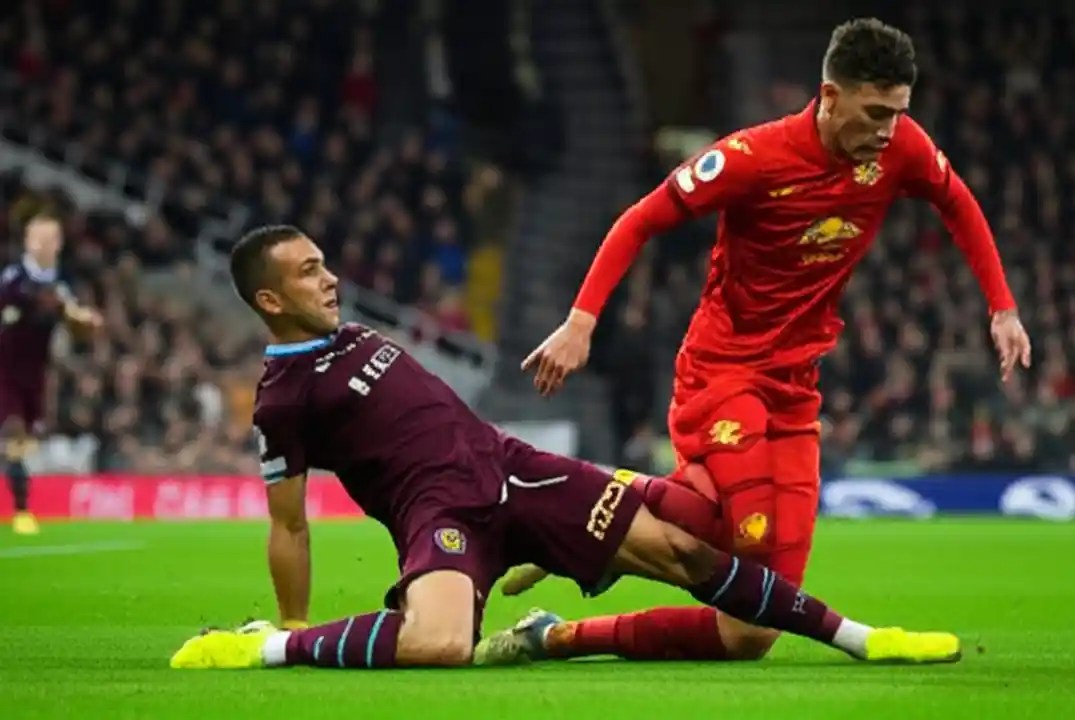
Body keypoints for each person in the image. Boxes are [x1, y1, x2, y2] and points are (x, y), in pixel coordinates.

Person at [167, 225, 961, 670]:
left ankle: (861, 639)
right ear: (270, 299)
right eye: (309, 273)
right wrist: (290, 623)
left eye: (325, 262)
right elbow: (290, 523)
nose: (331, 277)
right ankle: (271, 650)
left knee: (689, 550)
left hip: (515, 469)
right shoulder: (283, 399)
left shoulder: (350, 333)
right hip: (443, 510)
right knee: (443, 645)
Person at [512, 17, 1032, 661]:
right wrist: (581, 321)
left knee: (754, 626)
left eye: (898, 113)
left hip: (796, 386)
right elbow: (638, 220)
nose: (887, 131)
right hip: (722, 372)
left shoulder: (903, 148)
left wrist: (1002, 307)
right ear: (830, 95)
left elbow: (958, 203)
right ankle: (599, 502)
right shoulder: (752, 158)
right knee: (745, 539)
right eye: (874, 112)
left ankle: (556, 630)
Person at [1, 213, 102, 534]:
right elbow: (26, 298)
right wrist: (56, 305)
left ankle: (21, 502)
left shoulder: (61, 284)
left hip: (37, 376)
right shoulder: (14, 277)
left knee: (25, 442)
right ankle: (21, 511)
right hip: (5, 371)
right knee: (14, 432)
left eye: (51, 238)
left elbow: (75, 320)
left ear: (58, 244)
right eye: (38, 237)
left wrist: (83, 322)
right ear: (28, 242)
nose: (45, 244)